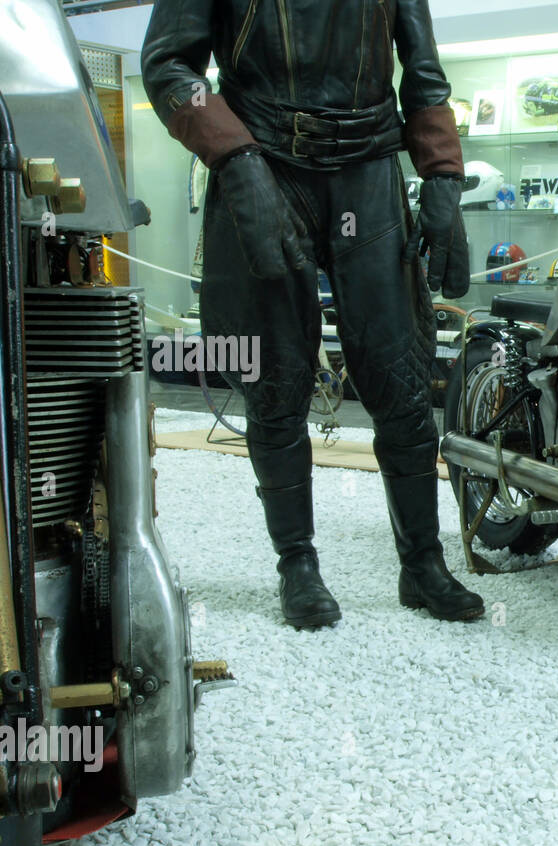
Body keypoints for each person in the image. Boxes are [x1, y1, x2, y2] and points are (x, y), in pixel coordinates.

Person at [141, 0, 485, 626]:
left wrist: (442, 176)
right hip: (266, 162)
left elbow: (424, 70)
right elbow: (168, 64)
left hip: (369, 167)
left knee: (402, 382)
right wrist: (235, 160)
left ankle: (423, 564)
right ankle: (296, 564)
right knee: (275, 383)